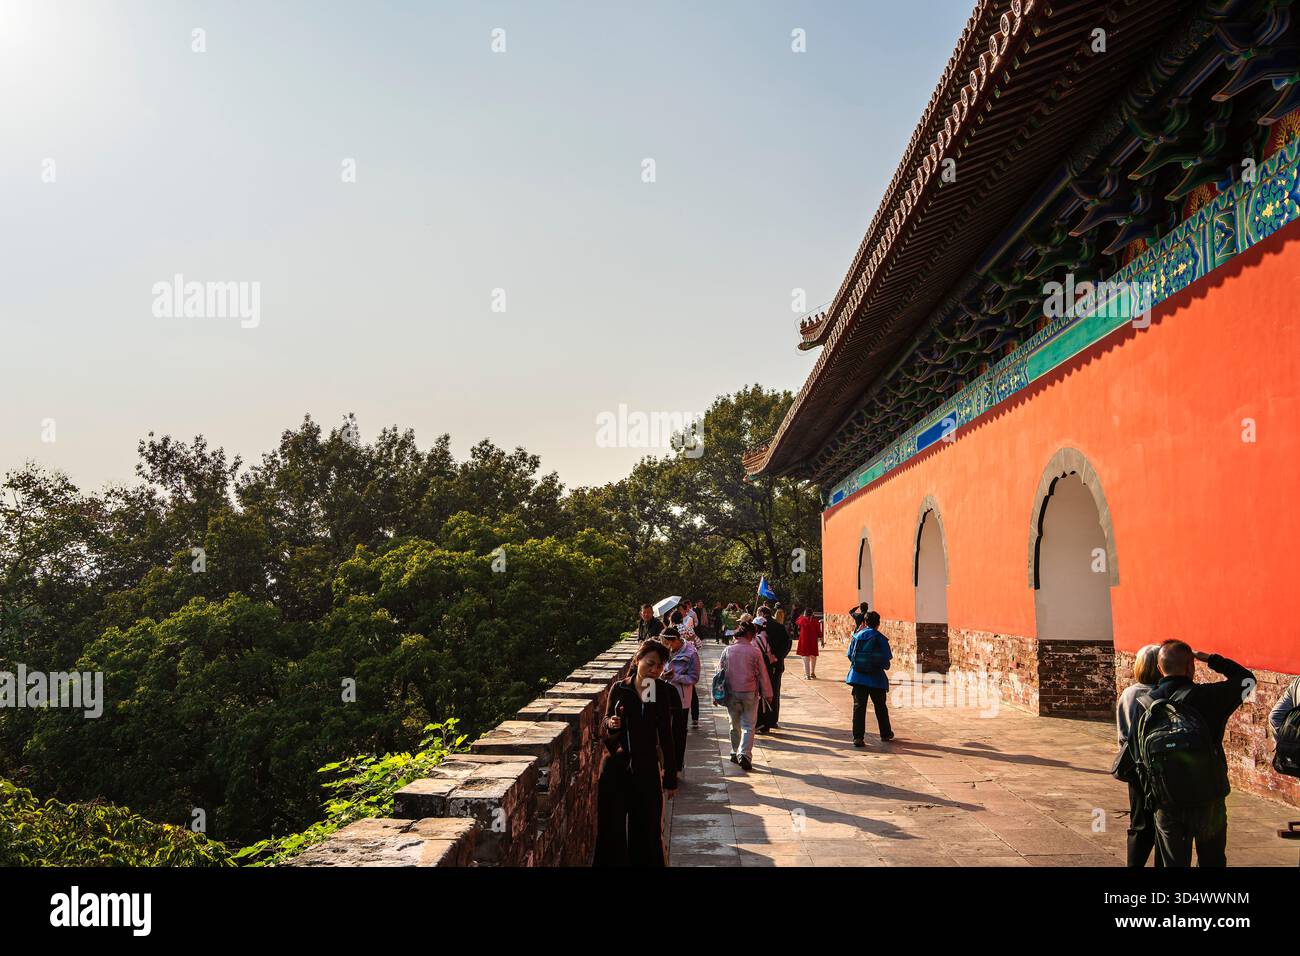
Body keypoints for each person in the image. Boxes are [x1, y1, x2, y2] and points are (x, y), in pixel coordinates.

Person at [1139, 640, 1253, 867]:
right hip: (1208, 795)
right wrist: (1210, 659)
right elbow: (1248, 680)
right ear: (1191, 667)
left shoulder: (1145, 703)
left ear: (1160, 668)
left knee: (1173, 863)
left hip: (1167, 798)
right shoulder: (1210, 697)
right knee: (1212, 860)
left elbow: (1137, 754)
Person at [593, 639, 678, 866]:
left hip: (646, 768)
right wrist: (611, 723)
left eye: (659, 666)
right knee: (612, 831)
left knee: (647, 830)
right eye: (650, 664)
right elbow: (604, 726)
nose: (654, 670)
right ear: (637, 660)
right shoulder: (620, 688)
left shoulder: (659, 690)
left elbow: (665, 734)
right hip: (616, 769)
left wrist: (670, 774)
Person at [1115, 644, 1163, 868]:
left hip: (1136, 767)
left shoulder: (1130, 693)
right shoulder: (1166, 693)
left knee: (1140, 823)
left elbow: (1123, 735)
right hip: (1163, 767)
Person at [715, 621, 773, 771]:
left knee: (734, 725)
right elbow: (763, 675)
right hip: (749, 693)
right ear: (750, 635)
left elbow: (719, 673)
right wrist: (767, 693)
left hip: (731, 693)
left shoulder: (728, 650)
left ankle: (735, 752)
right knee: (748, 725)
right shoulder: (755, 652)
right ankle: (745, 754)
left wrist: (716, 694)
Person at [846, 611, 893, 746]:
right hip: (876, 678)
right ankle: (885, 733)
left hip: (858, 677)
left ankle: (858, 737)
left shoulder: (857, 636)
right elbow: (886, 658)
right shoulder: (880, 638)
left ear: (865, 622)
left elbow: (850, 655)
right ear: (878, 623)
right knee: (880, 707)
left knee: (859, 707)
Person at [661, 626, 700, 779]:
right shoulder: (662, 651)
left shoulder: (691, 653)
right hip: (662, 695)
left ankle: (677, 765)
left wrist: (675, 677)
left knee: (679, 732)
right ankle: (665, 764)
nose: (666, 646)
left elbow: (694, 678)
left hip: (681, 698)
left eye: (668, 643)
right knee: (664, 730)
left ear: (675, 640)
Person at [755, 607, 791, 733]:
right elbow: (788, 644)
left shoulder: (762, 627)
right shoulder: (779, 626)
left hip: (765, 666)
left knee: (763, 692)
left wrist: (774, 657)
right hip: (777, 665)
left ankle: (763, 720)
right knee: (774, 692)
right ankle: (773, 719)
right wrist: (779, 657)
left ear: (762, 614)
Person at [796, 607, 824, 679]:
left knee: (805, 658)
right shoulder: (816, 622)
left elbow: (797, 621)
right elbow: (819, 632)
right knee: (813, 657)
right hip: (813, 641)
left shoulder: (802, 620)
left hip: (804, 641)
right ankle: (812, 673)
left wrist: (804, 616)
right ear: (812, 614)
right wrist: (822, 641)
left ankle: (807, 675)